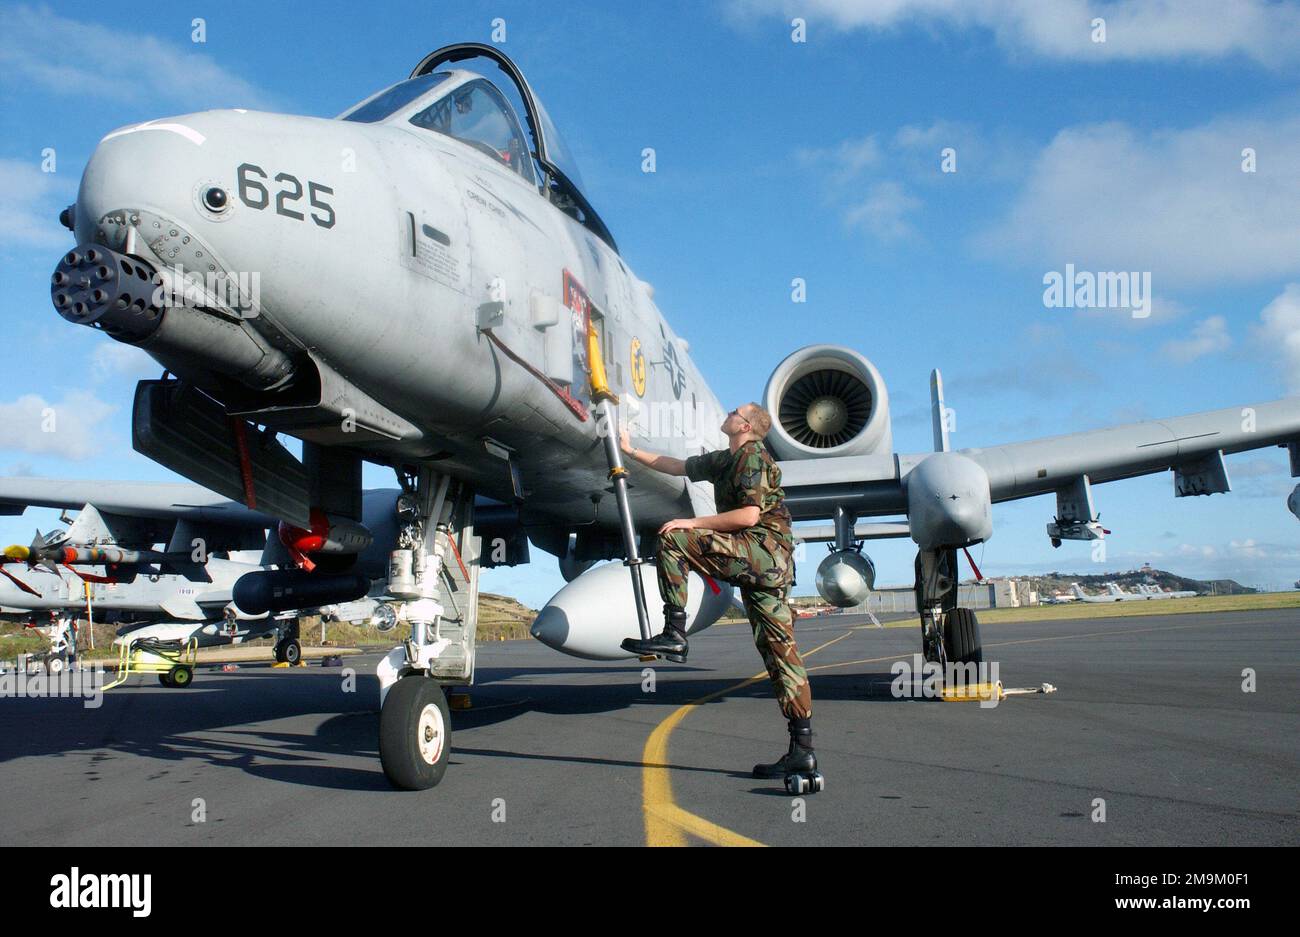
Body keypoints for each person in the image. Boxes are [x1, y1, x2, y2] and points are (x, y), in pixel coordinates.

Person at [619, 403, 817, 780]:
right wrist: (630, 451)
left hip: (761, 552)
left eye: (734, 411)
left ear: (745, 425)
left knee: (674, 537)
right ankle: (803, 750)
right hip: (769, 568)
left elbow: (747, 516)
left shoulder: (753, 456)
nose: (727, 412)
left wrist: (690, 521)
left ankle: (674, 633)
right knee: (780, 654)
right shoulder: (724, 459)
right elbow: (676, 466)